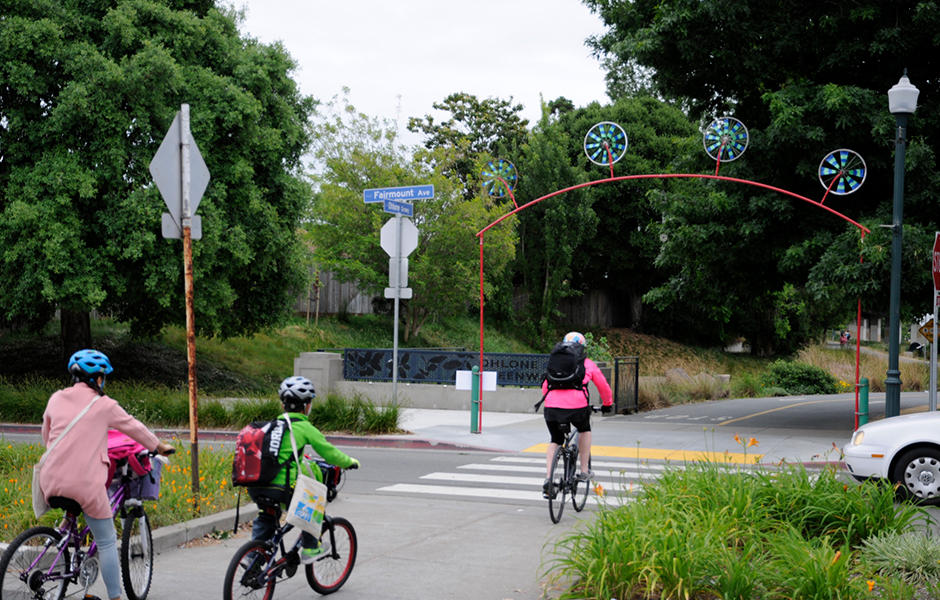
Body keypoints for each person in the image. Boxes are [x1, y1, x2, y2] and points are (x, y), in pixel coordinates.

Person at [40, 349, 175, 600]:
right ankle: (115, 597)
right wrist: (159, 446)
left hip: (49, 480)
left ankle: (63, 542)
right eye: (103, 377)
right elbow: (133, 427)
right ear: (98, 379)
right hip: (84, 485)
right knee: (106, 540)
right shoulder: (104, 404)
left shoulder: (56, 398)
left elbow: (46, 436)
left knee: (74, 517)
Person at [246, 376, 360, 564]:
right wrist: (350, 462)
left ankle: (252, 558)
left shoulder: (272, 426)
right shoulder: (304, 427)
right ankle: (310, 549)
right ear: (307, 406)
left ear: (283, 405)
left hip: (256, 485)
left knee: (267, 516)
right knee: (312, 503)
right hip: (281, 489)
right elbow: (331, 454)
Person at [541, 332, 613, 499]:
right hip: (577, 407)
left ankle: (548, 478)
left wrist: (550, 400)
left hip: (551, 406)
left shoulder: (555, 361)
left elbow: (546, 385)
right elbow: (603, 386)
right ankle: (583, 471)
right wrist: (607, 404)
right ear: (582, 346)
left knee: (555, 440)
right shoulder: (586, 363)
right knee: (584, 429)